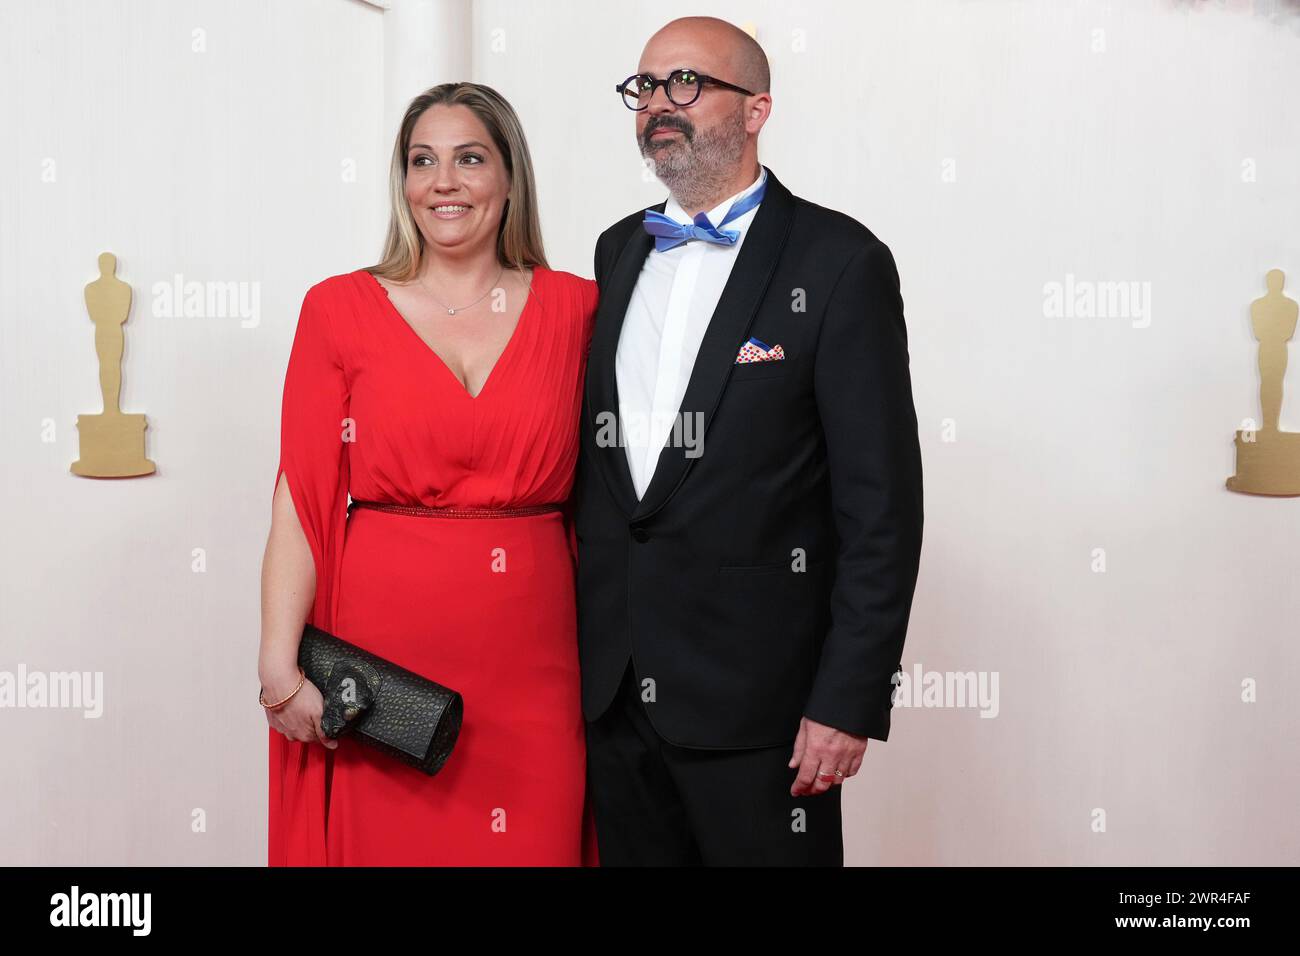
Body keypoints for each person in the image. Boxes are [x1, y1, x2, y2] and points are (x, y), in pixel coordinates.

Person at [576, 17, 924, 865]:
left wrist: (848, 699)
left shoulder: (840, 261)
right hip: (618, 697)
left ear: (757, 108)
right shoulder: (618, 249)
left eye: (686, 83)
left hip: (766, 712)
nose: (659, 103)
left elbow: (882, 508)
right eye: (645, 86)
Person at [258, 82, 599, 866]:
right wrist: (279, 662)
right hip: (383, 673)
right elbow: (302, 499)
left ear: (509, 178)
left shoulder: (580, 310)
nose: (442, 181)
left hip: (537, 665)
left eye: (469, 158)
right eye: (423, 161)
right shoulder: (338, 308)